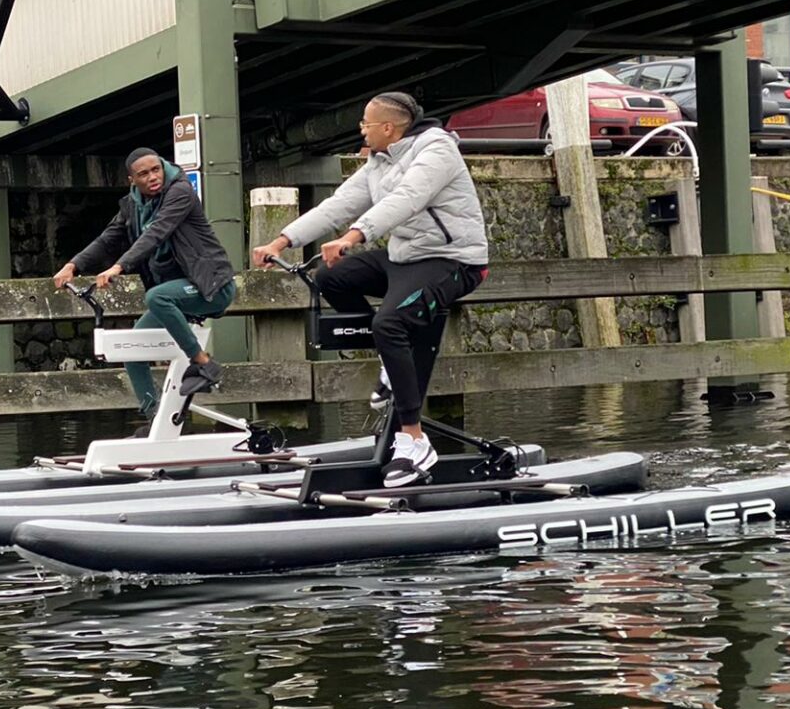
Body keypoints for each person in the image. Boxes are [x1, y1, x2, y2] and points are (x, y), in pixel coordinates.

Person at [253, 92, 488, 487]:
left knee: (389, 323)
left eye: (365, 122)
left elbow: (407, 199)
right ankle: (389, 363)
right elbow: (338, 204)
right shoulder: (378, 162)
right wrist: (281, 241)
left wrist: (355, 236)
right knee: (332, 278)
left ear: (388, 128)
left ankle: (414, 440)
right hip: (404, 259)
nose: (360, 128)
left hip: (453, 261)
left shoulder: (436, 150)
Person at [55, 147, 237, 420]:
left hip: (210, 286)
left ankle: (204, 364)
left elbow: (156, 233)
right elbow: (108, 238)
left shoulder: (180, 192)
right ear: (132, 180)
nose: (153, 177)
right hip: (176, 293)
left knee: (156, 297)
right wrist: (73, 265)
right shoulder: (132, 206)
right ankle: (154, 417)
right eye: (144, 174)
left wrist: (119, 266)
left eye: (156, 169)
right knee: (133, 348)